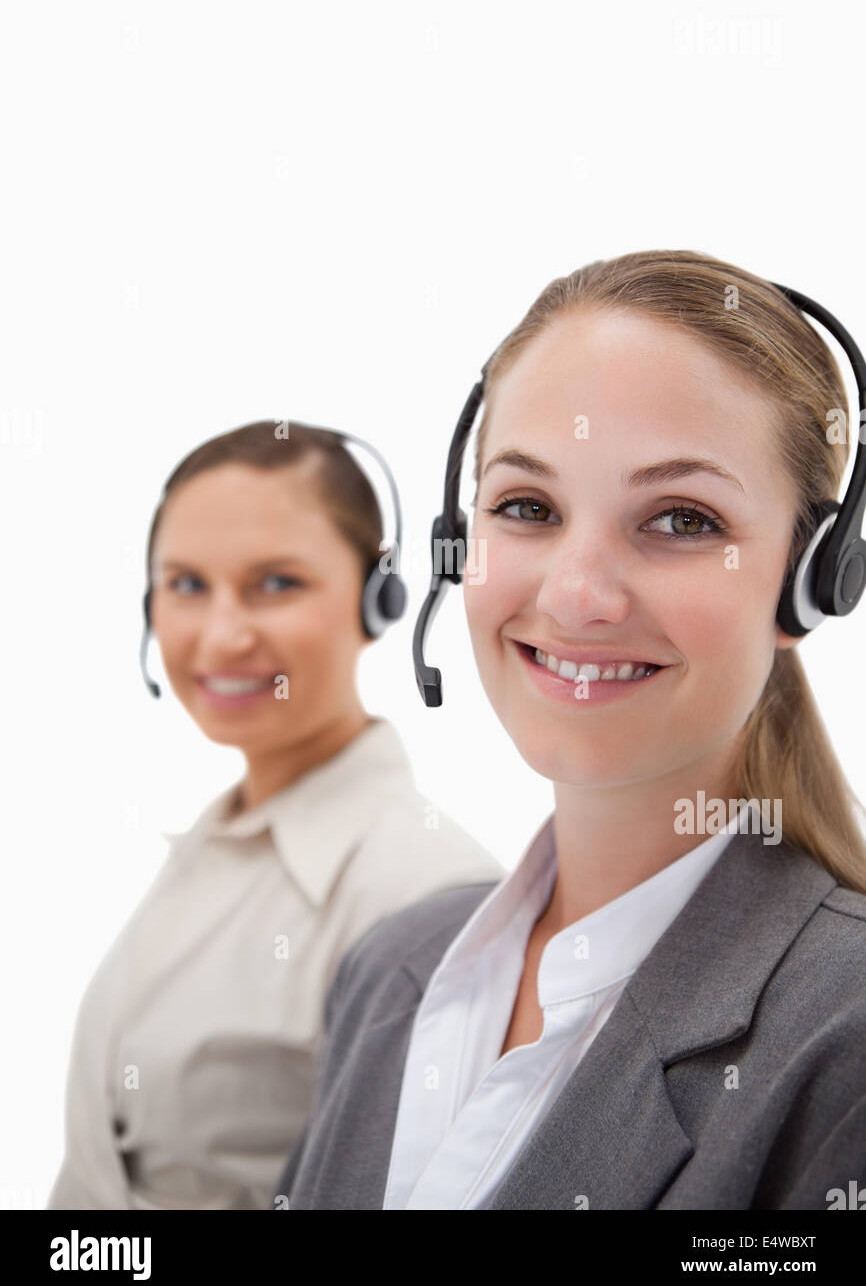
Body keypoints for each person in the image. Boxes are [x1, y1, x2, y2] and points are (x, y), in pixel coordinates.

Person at [274, 250, 866, 1210]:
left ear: (814, 578)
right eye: (528, 507)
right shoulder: (390, 971)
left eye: (680, 518)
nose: (578, 594)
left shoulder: (842, 1035)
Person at [47, 419, 503, 1210]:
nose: (222, 635)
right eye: (187, 585)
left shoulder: (425, 895)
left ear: (378, 596)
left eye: (276, 583)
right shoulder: (217, 842)